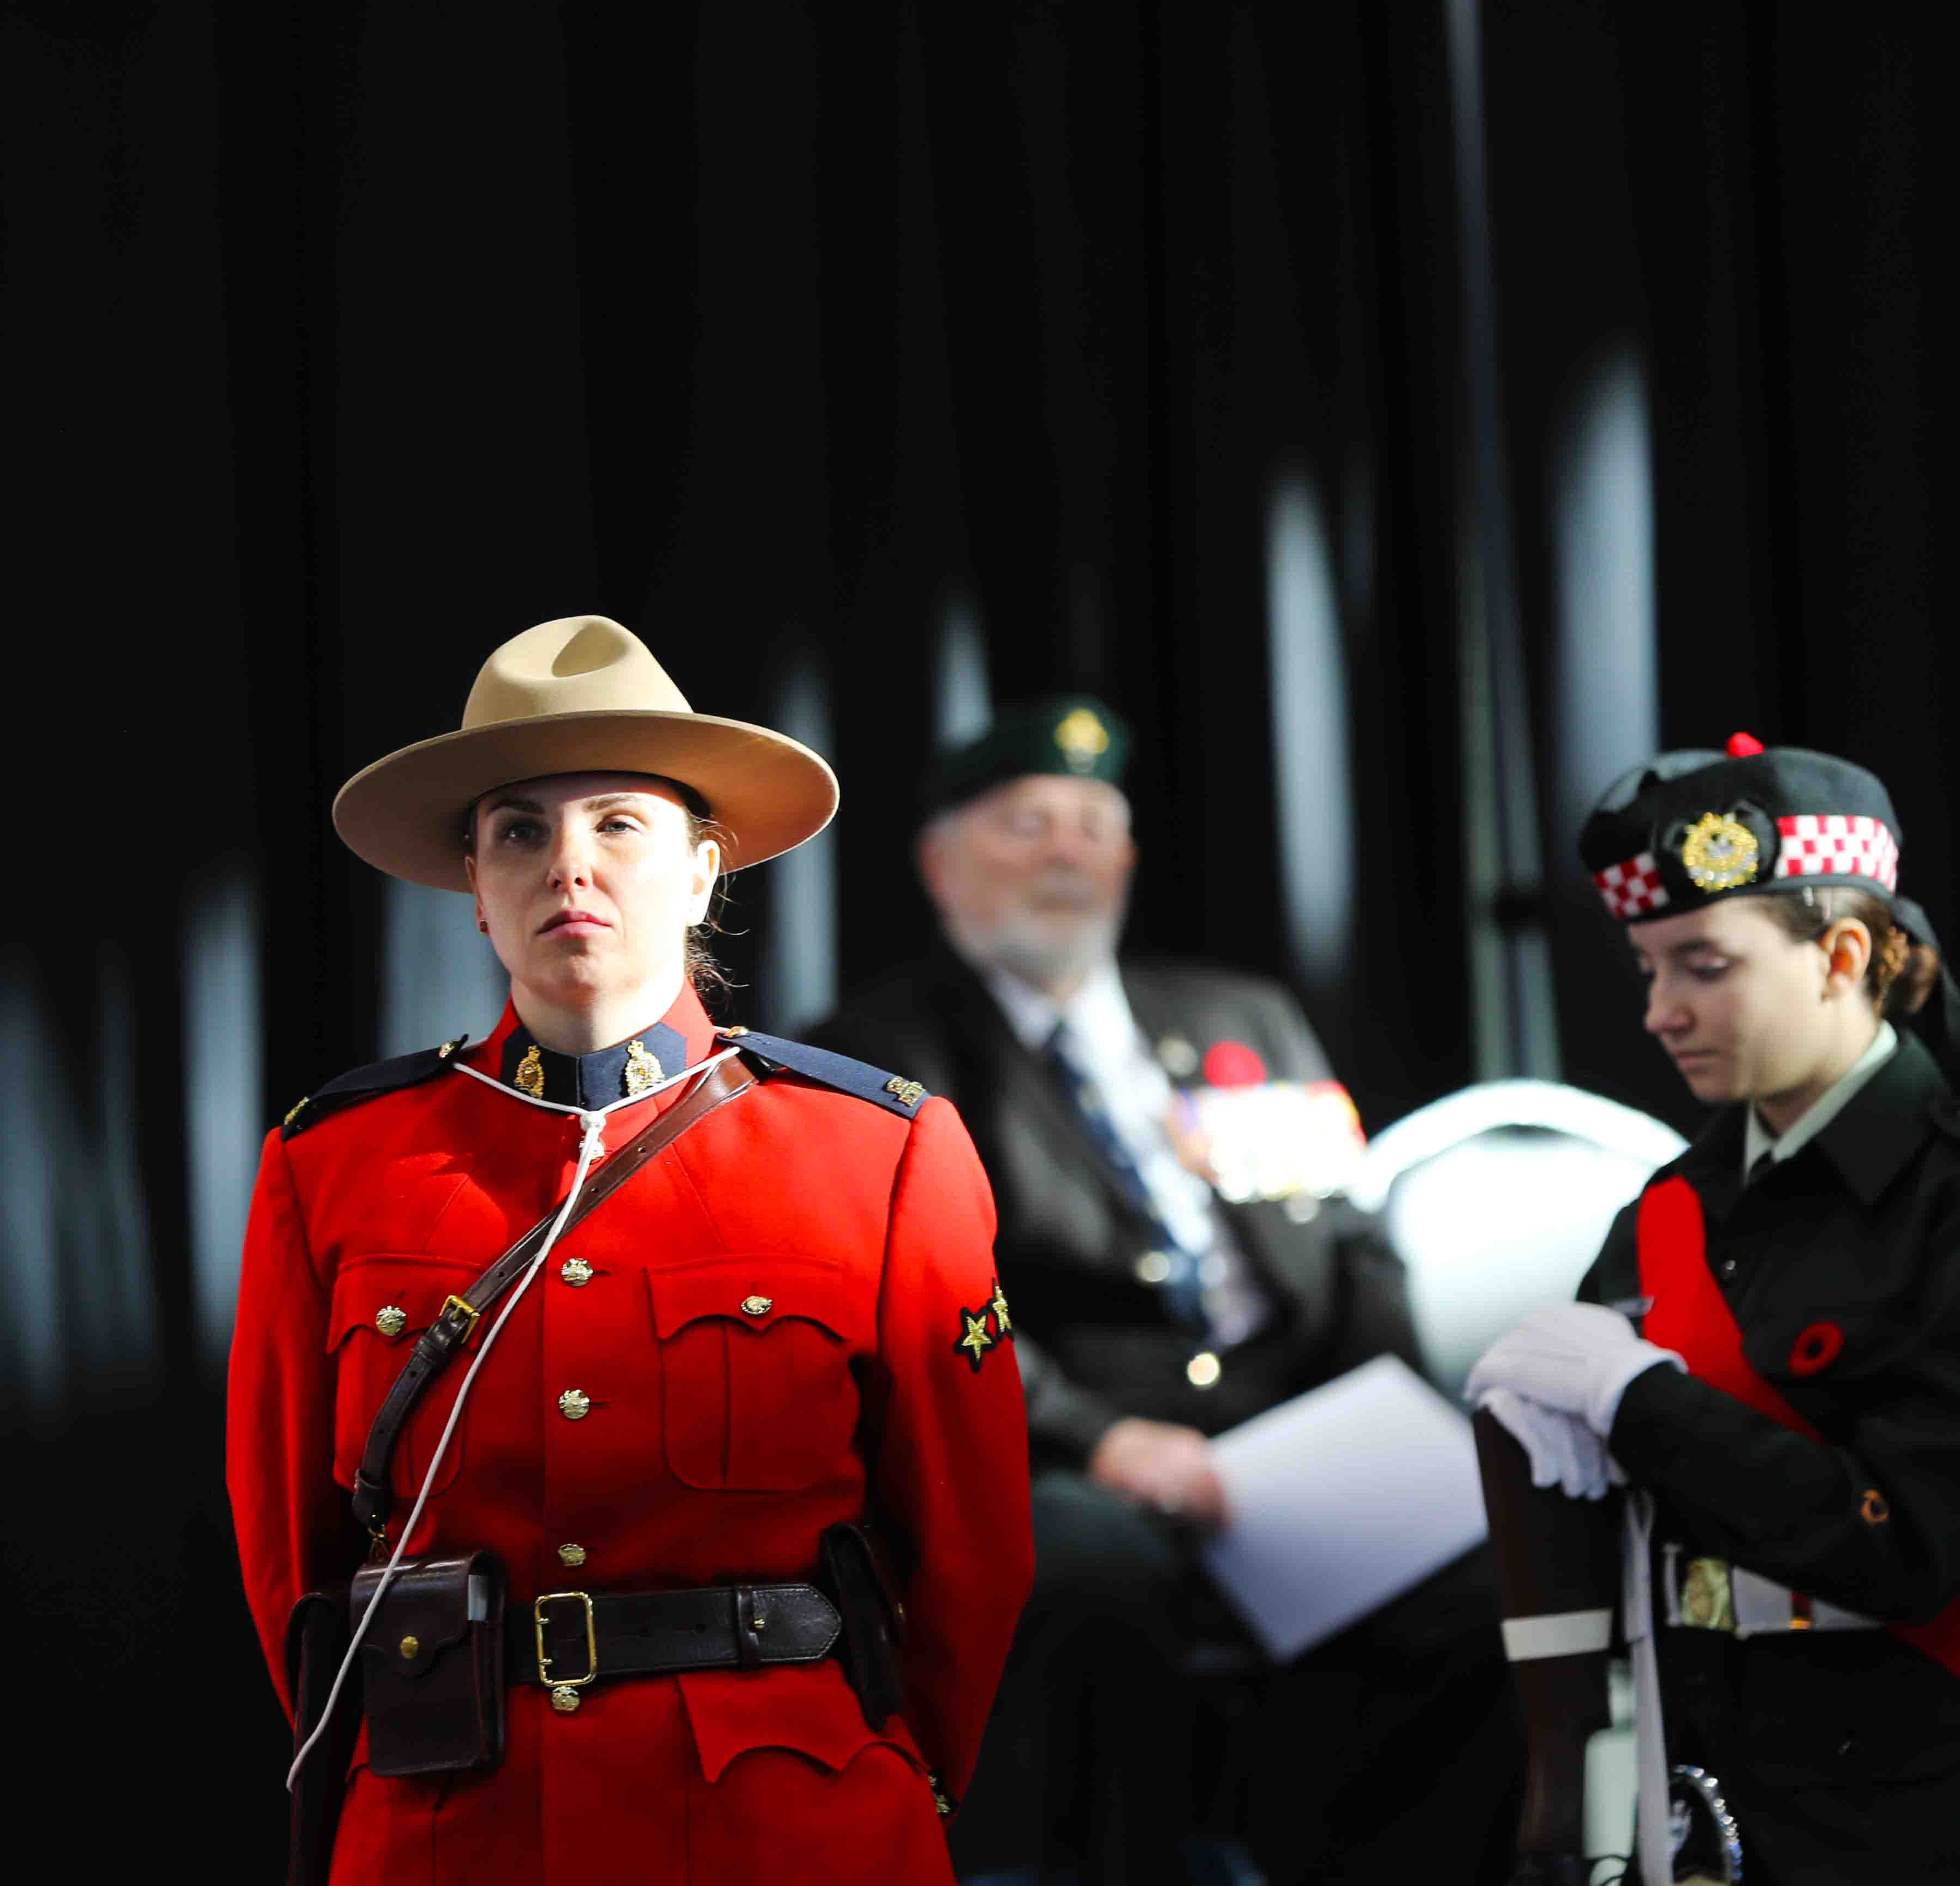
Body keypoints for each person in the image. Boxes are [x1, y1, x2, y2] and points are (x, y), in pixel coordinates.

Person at [227, 616, 1033, 1886]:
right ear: (476, 890)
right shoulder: (334, 1164)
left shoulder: (880, 1152)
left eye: (618, 822)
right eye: (518, 831)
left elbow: (969, 1560)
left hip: (788, 1826)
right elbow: (294, 1563)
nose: (567, 865)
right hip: (451, 1832)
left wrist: (886, 1785)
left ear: (705, 871)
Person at [808, 696, 1516, 1885]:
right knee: (1093, 1576)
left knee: (1488, 1572)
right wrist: (1100, 1438)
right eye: (1025, 822)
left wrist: (1383, 1419)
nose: (1066, 850)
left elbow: (1354, 1247)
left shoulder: (1242, 1017)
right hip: (1058, 1448)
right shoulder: (877, 1056)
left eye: (1093, 822)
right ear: (939, 864)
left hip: (1284, 1422)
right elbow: (912, 1304)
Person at [1469, 735, 1960, 1883]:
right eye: (1648, 970)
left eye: (1703, 964)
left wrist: (1641, 1403)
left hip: (1911, 1804)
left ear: (1840, 957)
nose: (1658, 1012)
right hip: (1701, 1793)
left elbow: (1914, 1553)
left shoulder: (1941, 1199)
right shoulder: (1670, 1212)